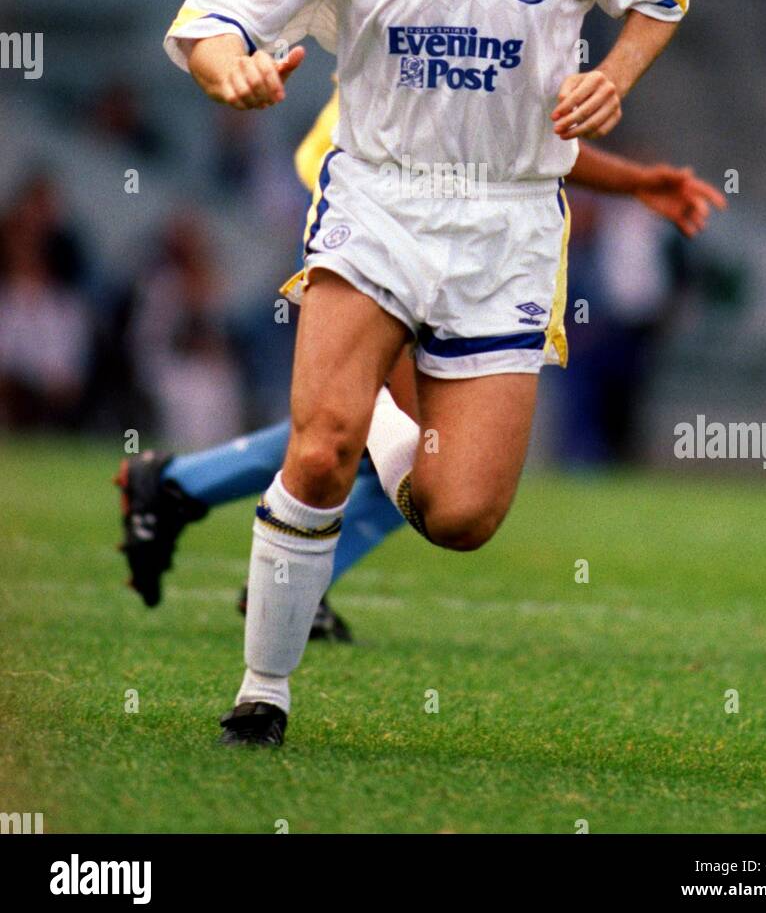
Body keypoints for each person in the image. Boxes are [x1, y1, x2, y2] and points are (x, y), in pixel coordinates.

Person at [162, 0, 692, 746]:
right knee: (315, 449)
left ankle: (383, 417)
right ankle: (262, 694)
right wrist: (236, 74)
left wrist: (616, 78)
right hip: (377, 199)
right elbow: (206, 24)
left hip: (506, 220)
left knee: (459, 516)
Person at [117, 80, 723, 627]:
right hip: (376, 221)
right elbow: (497, 131)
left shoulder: (477, 9)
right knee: (418, 445)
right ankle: (267, 562)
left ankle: (190, 497)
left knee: (372, 432)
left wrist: (636, 183)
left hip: (405, 216)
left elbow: (515, 142)